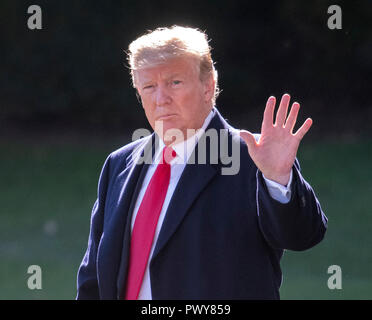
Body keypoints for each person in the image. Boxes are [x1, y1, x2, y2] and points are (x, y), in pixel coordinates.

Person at [76, 25, 328, 300]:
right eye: (149, 86)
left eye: (174, 82)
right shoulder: (119, 164)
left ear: (208, 86)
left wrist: (278, 179)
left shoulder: (254, 158)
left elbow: (301, 236)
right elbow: (93, 280)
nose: (161, 99)